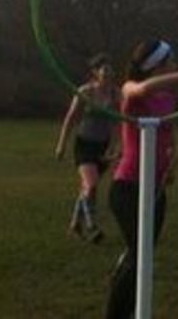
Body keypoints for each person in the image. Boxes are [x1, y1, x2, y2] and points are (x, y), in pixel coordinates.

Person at [105, 40, 178, 319]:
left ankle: (128, 306)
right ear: (158, 65)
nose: (176, 64)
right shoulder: (131, 88)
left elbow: (168, 131)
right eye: (172, 60)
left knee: (143, 257)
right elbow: (141, 88)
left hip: (156, 188)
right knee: (139, 255)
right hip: (128, 187)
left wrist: (170, 162)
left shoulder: (167, 97)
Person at [54, 53, 118, 243]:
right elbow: (70, 118)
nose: (108, 73)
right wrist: (61, 145)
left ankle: (75, 224)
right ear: (95, 72)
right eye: (103, 69)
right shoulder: (86, 91)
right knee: (91, 185)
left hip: (102, 145)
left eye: (110, 69)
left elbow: (116, 123)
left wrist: (113, 148)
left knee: (89, 188)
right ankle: (91, 225)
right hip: (84, 144)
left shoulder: (115, 93)